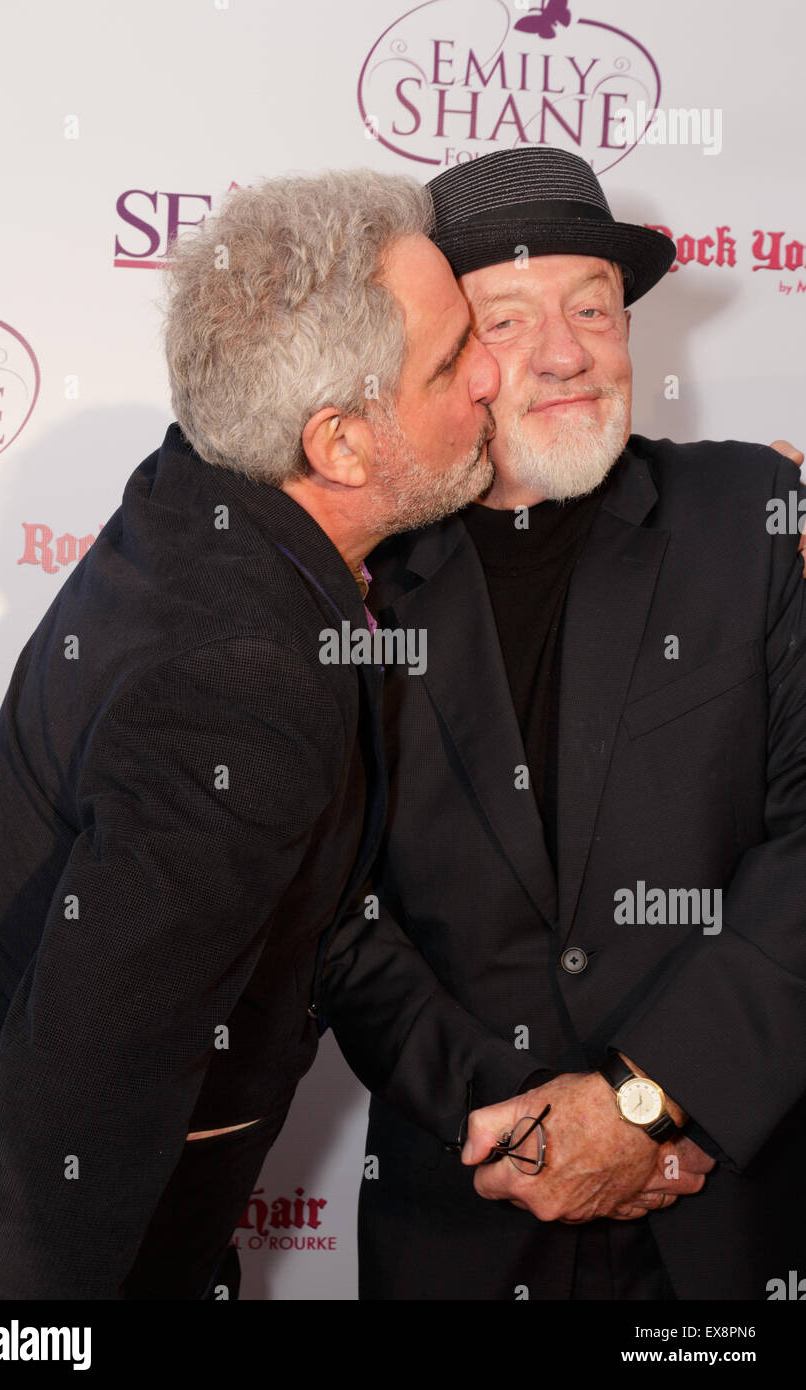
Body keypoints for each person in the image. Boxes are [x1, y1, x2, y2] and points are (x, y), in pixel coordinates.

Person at [0, 168, 499, 1299]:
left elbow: (308, 914)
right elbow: (72, 1115)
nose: (491, 371)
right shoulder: (240, 678)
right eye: (450, 359)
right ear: (338, 443)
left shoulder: (201, 489)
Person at [321, 146, 806, 1300]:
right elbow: (334, 914)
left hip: (718, 1215)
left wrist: (646, 1101)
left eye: (592, 305)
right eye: (505, 318)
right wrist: (530, 1135)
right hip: (467, 1217)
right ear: (436, 357)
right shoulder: (356, 574)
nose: (563, 350)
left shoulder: (752, 515)